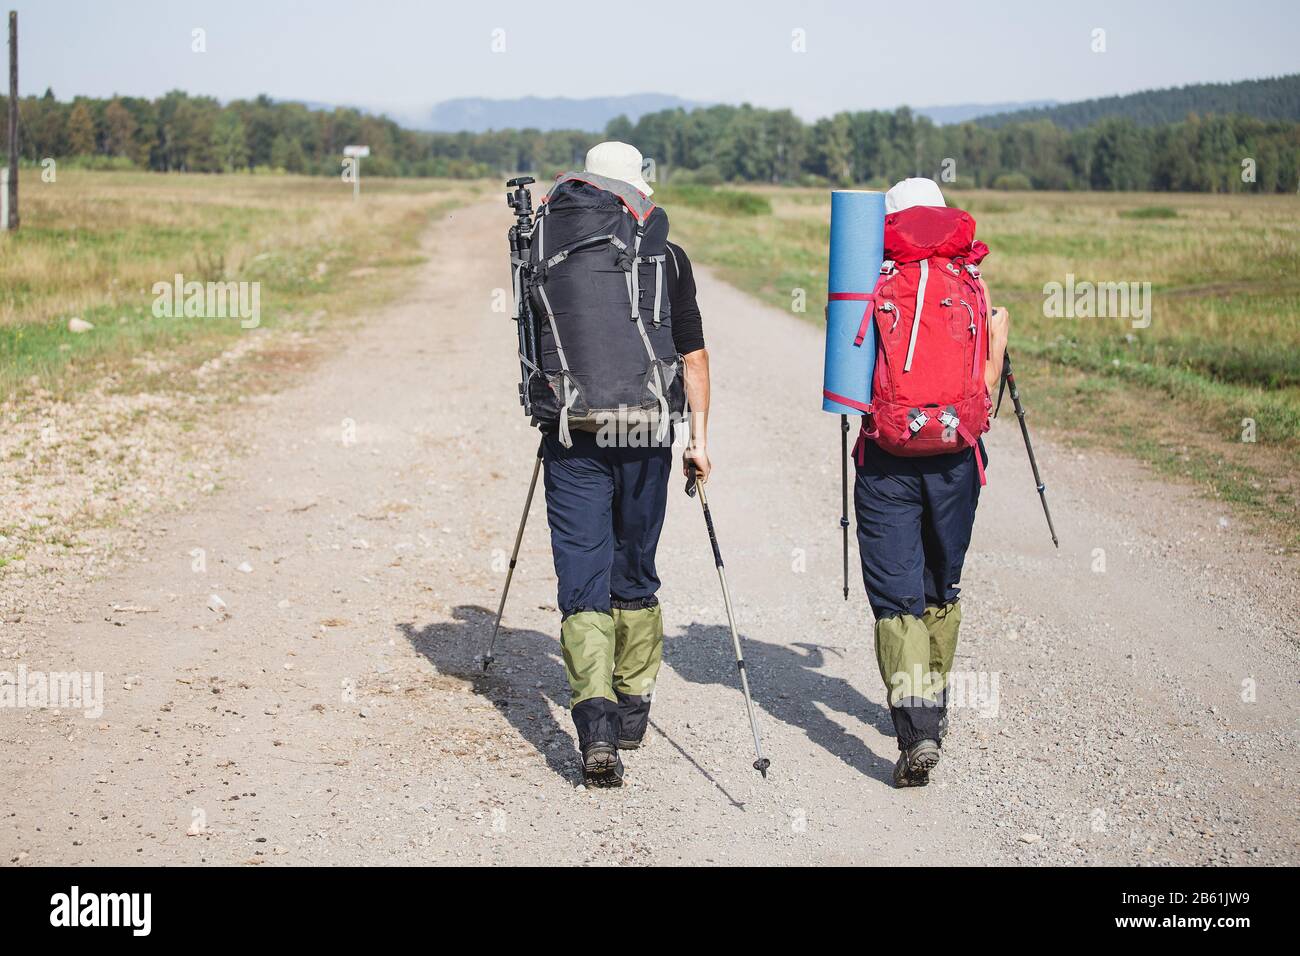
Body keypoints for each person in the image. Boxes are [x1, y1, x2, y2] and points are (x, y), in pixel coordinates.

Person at [540, 142, 710, 788]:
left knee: (582, 572)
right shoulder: (666, 258)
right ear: (637, 191)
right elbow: (693, 357)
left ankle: (595, 725)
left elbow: (538, 346)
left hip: (571, 433)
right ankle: (632, 707)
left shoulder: (547, 251)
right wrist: (698, 439)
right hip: (644, 433)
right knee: (633, 566)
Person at [854, 177, 1010, 788]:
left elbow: (847, 381)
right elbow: (986, 385)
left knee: (896, 598)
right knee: (940, 583)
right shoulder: (970, 280)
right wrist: (1001, 335)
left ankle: (917, 728)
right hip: (955, 459)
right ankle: (933, 708)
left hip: (887, 457)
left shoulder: (874, 276)